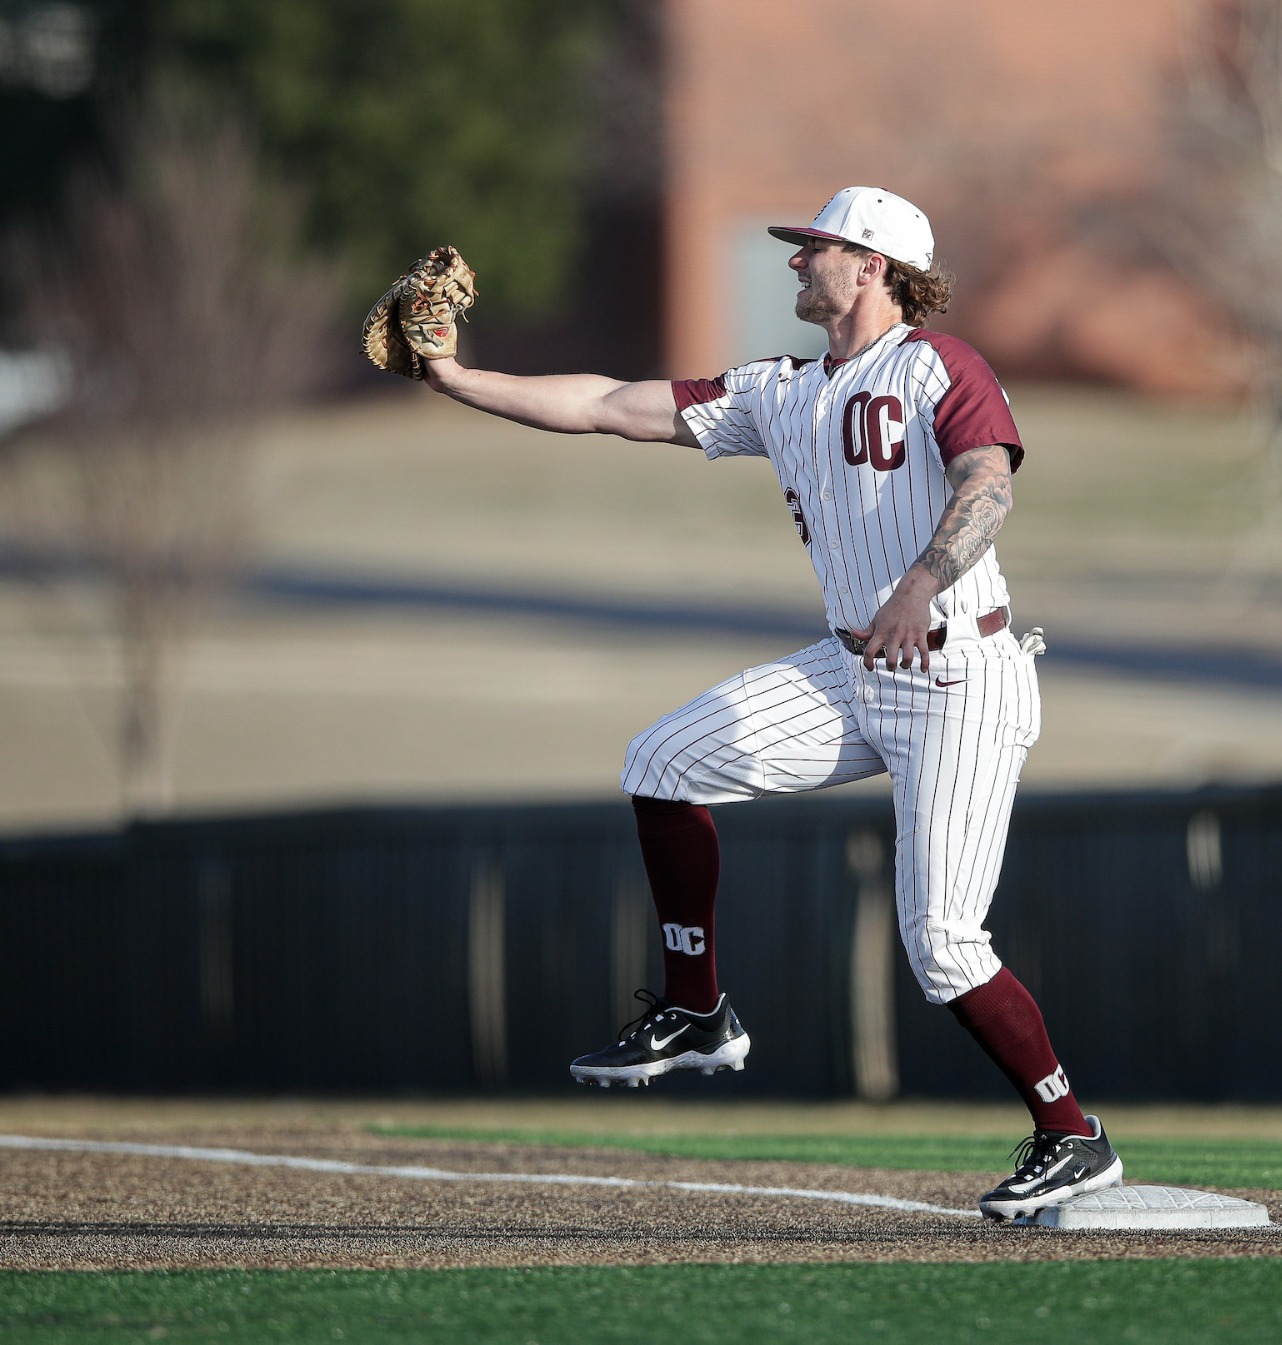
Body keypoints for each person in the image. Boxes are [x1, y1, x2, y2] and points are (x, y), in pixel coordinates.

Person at [414, 186, 1121, 1221]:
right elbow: (609, 403)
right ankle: (697, 1007)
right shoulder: (780, 390)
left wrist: (922, 579)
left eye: (814, 249)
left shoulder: (937, 365)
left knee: (942, 946)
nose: (794, 262)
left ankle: (1072, 1134)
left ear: (871, 265)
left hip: (961, 674)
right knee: (661, 760)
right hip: (853, 668)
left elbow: (989, 484)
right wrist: (454, 375)